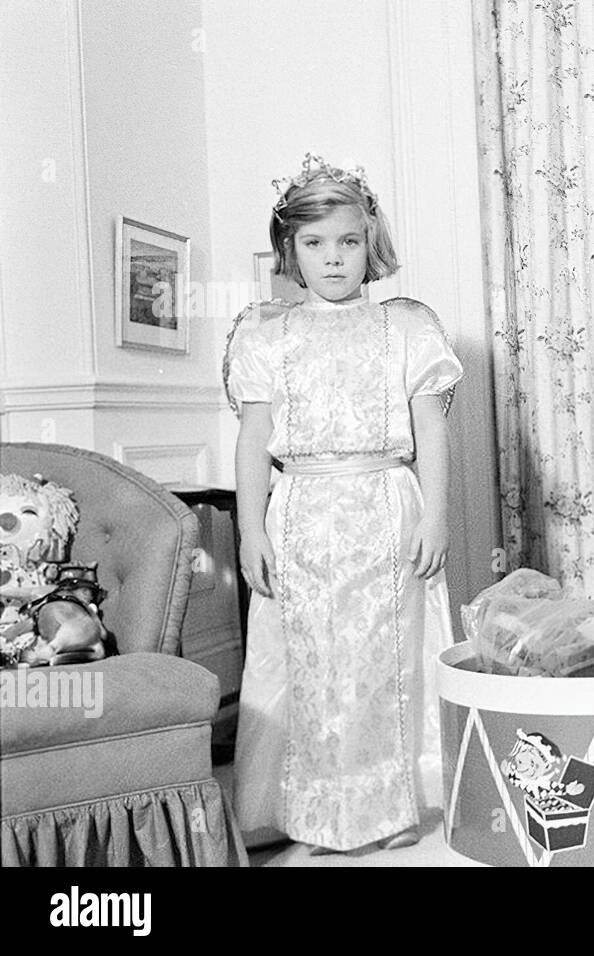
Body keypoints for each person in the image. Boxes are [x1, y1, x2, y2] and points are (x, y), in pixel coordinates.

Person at [224, 153, 463, 853]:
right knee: (312, 667)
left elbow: (431, 431)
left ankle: (392, 807)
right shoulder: (266, 334)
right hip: (297, 511)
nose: (334, 259)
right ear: (290, 251)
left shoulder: (408, 327)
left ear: (370, 243)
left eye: (349, 242)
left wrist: (436, 514)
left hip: (386, 504)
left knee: (385, 664)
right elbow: (251, 443)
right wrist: (248, 533)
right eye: (315, 243)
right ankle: (313, 812)